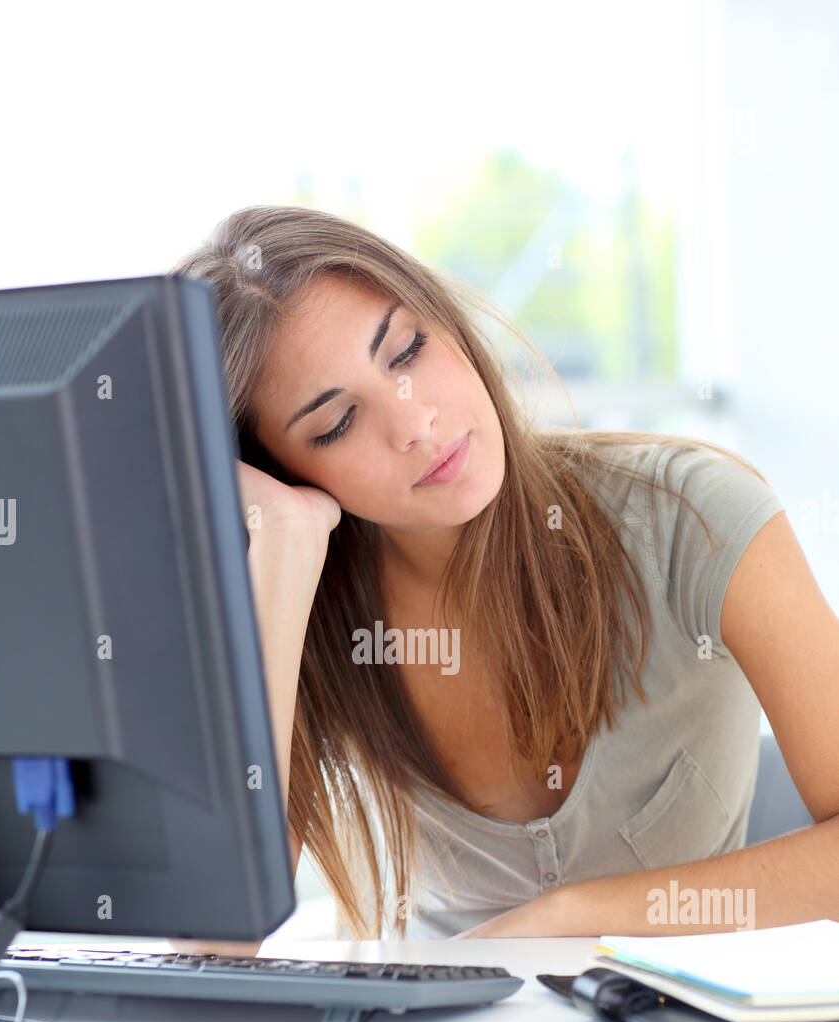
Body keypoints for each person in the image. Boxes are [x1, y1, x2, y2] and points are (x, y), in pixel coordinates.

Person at [167, 204, 839, 946]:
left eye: (407, 350)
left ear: (447, 323)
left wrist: (567, 918)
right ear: (279, 470)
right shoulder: (309, 602)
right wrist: (282, 550)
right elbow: (211, 950)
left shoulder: (694, 517)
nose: (414, 421)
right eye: (336, 424)